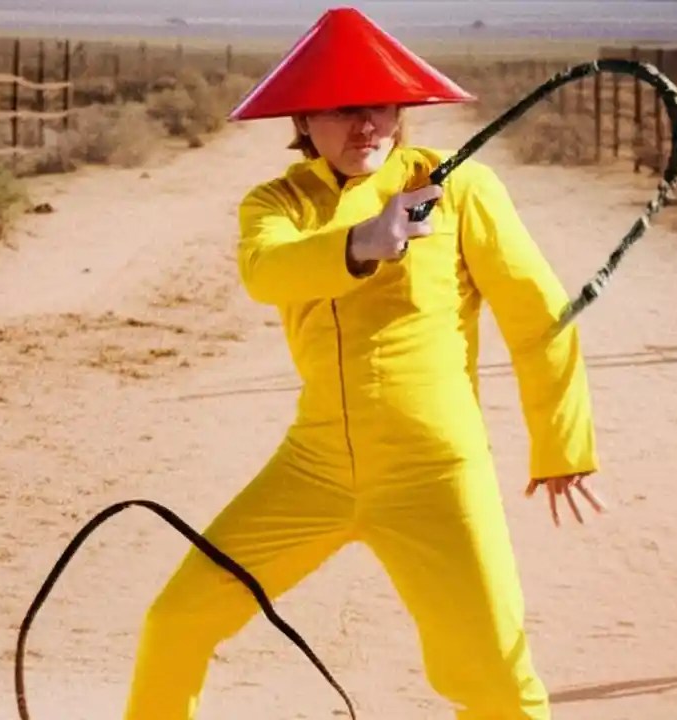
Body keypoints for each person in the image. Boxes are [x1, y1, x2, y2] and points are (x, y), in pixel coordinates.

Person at [124, 7, 604, 719]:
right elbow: (265, 271)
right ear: (304, 118)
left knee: (497, 682)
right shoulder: (276, 203)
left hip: (436, 471)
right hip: (313, 467)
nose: (366, 126)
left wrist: (560, 444)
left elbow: (538, 313)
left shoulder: (459, 189)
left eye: (379, 105)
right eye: (343, 109)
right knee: (175, 621)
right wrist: (361, 243)